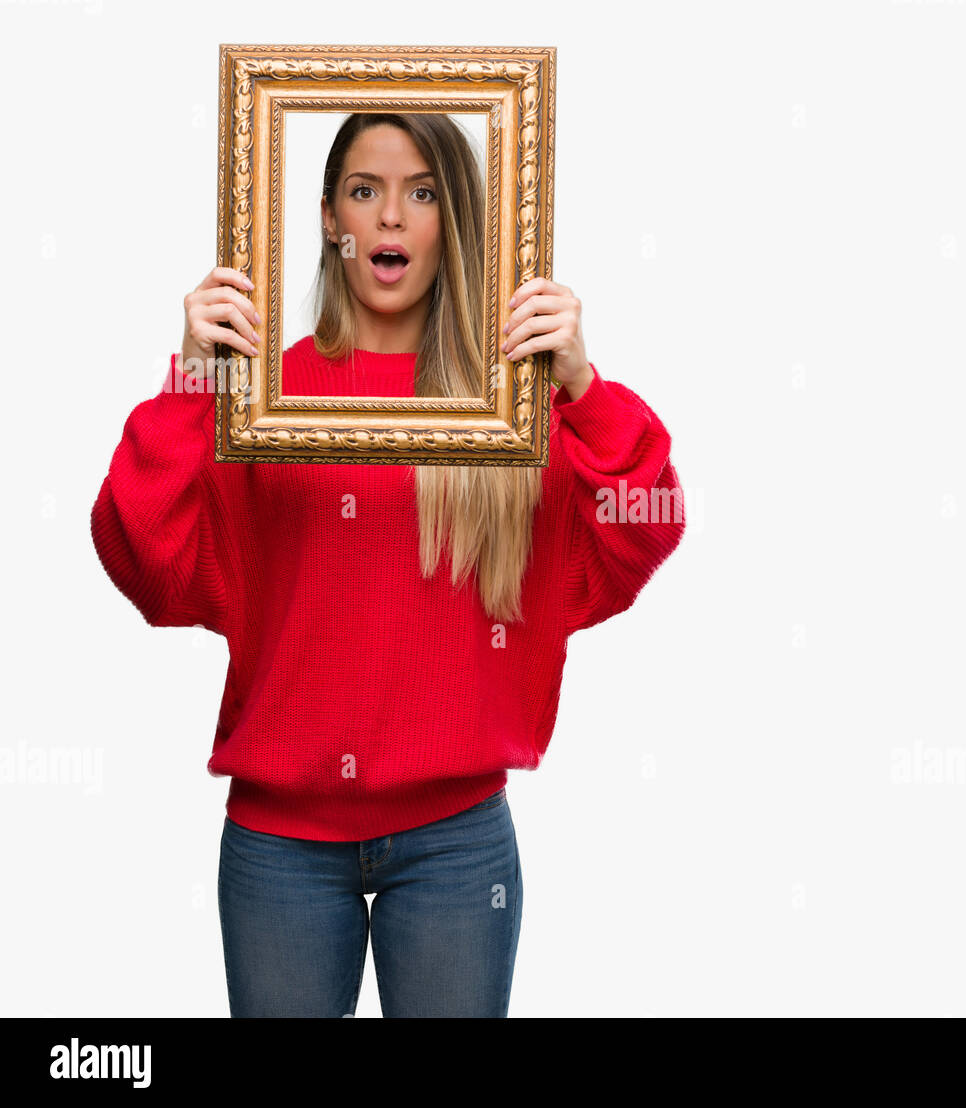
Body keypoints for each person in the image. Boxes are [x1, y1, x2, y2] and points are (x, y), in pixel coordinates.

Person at [89, 112, 686, 1017]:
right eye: (366, 192)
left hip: (458, 845)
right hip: (279, 846)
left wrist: (582, 387)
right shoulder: (261, 400)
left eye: (423, 193)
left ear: (456, 222)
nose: (392, 219)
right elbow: (144, 557)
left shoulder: (506, 411)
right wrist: (193, 379)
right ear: (331, 218)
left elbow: (643, 528)